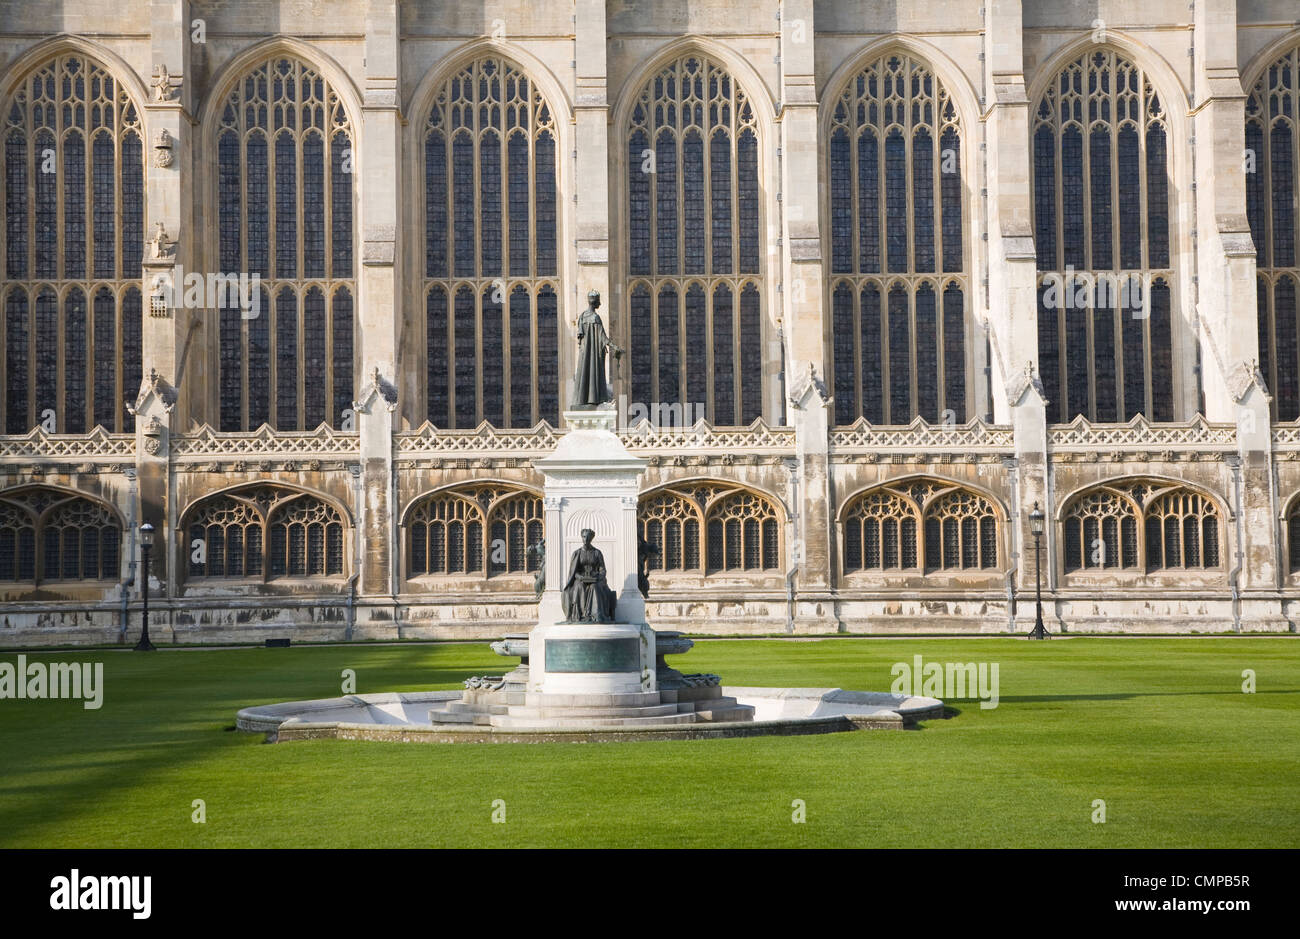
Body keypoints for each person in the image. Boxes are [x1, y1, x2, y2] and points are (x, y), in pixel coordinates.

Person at [570, 291, 622, 409]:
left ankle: (583, 399)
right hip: (593, 356)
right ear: (596, 302)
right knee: (593, 374)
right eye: (599, 300)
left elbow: (581, 336)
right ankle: (594, 399)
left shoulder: (583, 316)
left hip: (584, 355)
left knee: (584, 374)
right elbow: (603, 337)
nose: (600, 303)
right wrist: (615, 347)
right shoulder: (595, 318)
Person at [560, 529, 618, 623]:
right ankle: (580, 615)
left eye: (588, 537)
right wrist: (580, 577)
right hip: (581, 579)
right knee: (579, 587)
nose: (585, 539)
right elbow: (573, 572)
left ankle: (596, 616)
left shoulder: (597, 553)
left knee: (594, 587)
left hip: (595, 579)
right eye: (583, 536)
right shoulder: (577, 553)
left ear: (591, 538)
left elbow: (602, 569)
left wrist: (598, 577)